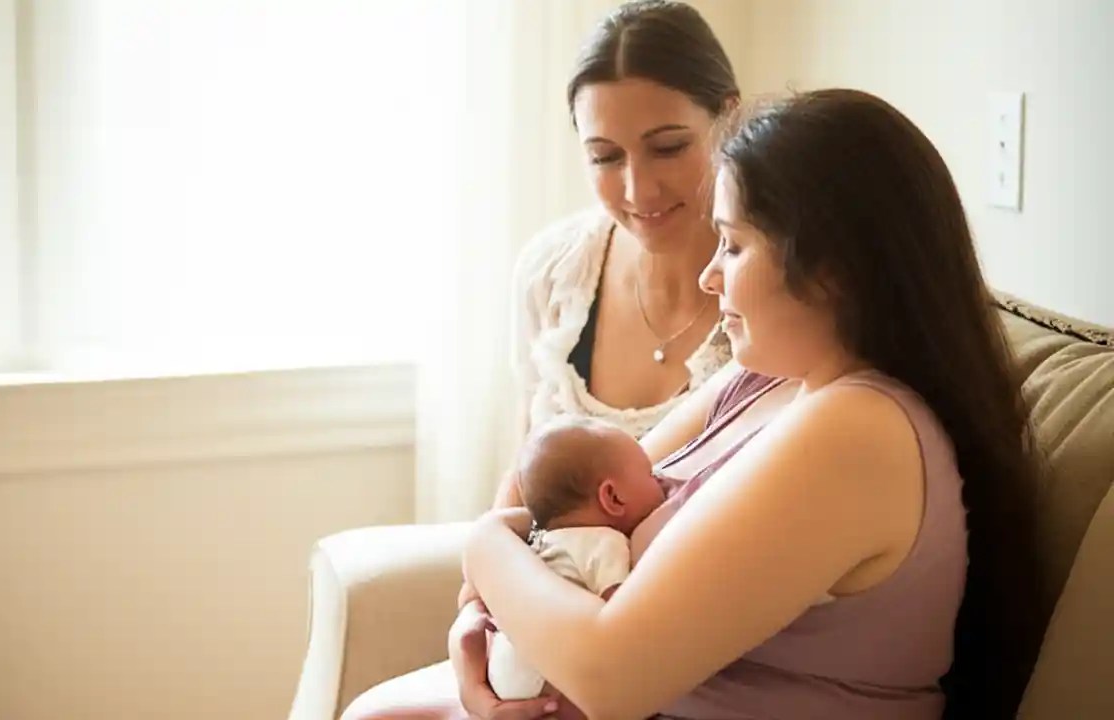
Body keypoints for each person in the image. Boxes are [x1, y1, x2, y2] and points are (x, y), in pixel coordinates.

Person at [460, 90, 1046, 719]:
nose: (710, 276)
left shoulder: (860, 431)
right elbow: (548, 492)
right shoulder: (765, 378)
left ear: (833, 269)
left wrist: (484, 546)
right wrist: (473, 631)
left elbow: (611, 680)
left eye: (734, 246)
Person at [344, 1, 744, 716]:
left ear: (728, 121)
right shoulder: (555, 274)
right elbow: (528, 484)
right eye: (605, 157)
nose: (637, 189)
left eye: (668, 147)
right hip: (540, 643)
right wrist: (472, 625)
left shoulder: (766, 305)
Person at [486, 416, 665, 707]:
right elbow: (624, 621)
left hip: (504, 667)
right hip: (548, 679)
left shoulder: (539, 541)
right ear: (613, 497)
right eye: (650, 474)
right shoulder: (605, 543)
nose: (659, 481)